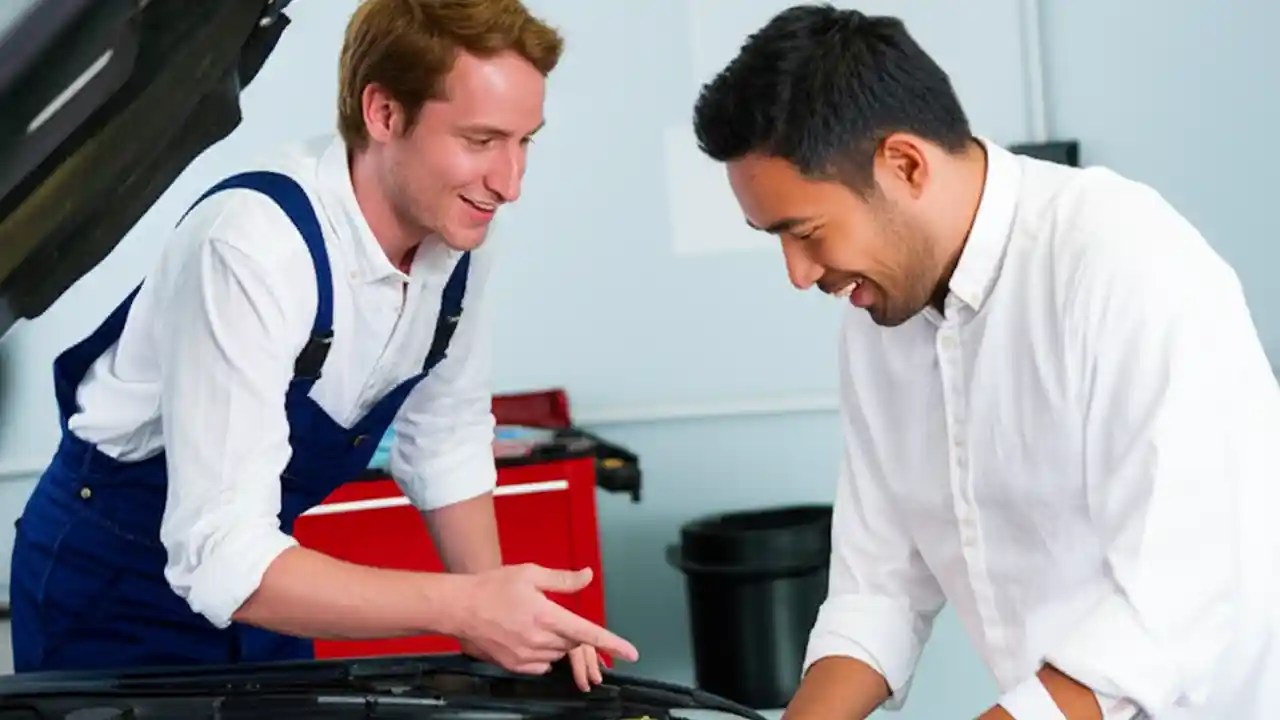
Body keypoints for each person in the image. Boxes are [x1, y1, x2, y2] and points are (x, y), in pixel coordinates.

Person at [9, 0, 637, 691]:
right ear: (384, 113)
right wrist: (466, 608)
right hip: (112, 593)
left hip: (264, 572)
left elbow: (445, 441)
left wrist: (509, 622)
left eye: (525, 142)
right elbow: (221, 558)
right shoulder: (252, 247)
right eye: (481, 140)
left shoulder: (459, 238)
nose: (509, 184)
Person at [692, 5, 1280, 719]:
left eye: (807, 231)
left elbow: (1177, 600)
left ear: (905, 165)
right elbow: (878, 587)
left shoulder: (1124, 261)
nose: (798, 272)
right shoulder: (881, 313)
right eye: (775, 239)